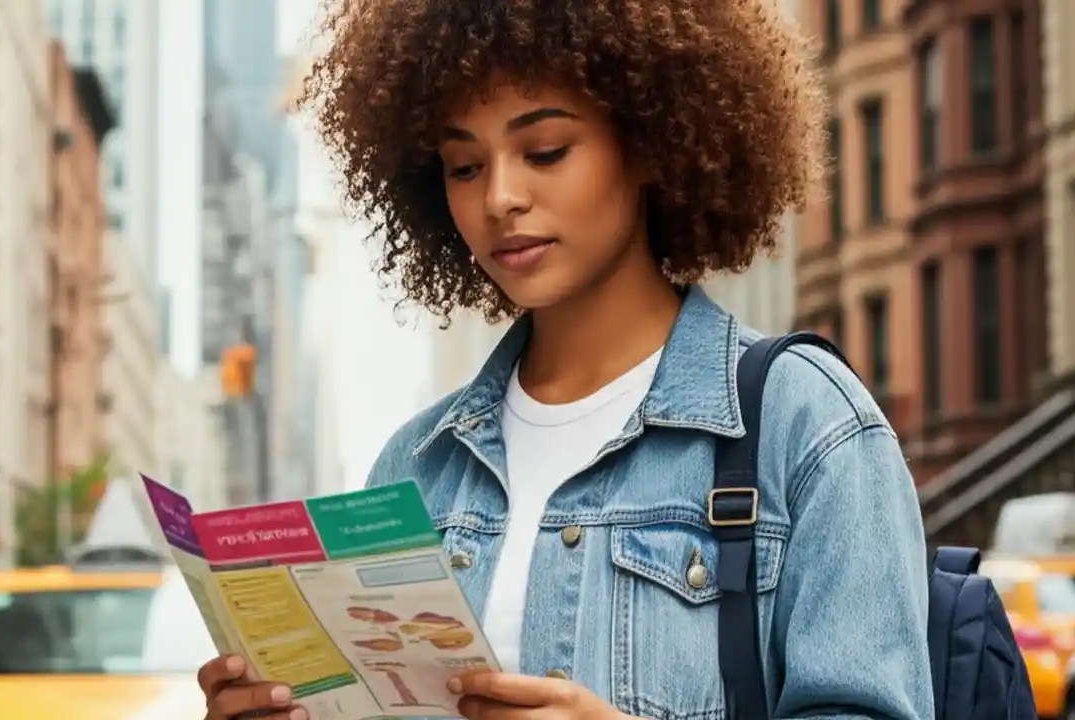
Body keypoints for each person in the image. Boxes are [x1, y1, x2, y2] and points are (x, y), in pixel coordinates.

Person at [196, 1, 934, 719]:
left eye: (545, 151)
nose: (500, 198)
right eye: (463, 166)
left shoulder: (804, 424)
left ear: (649, 140)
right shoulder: (417, 468)